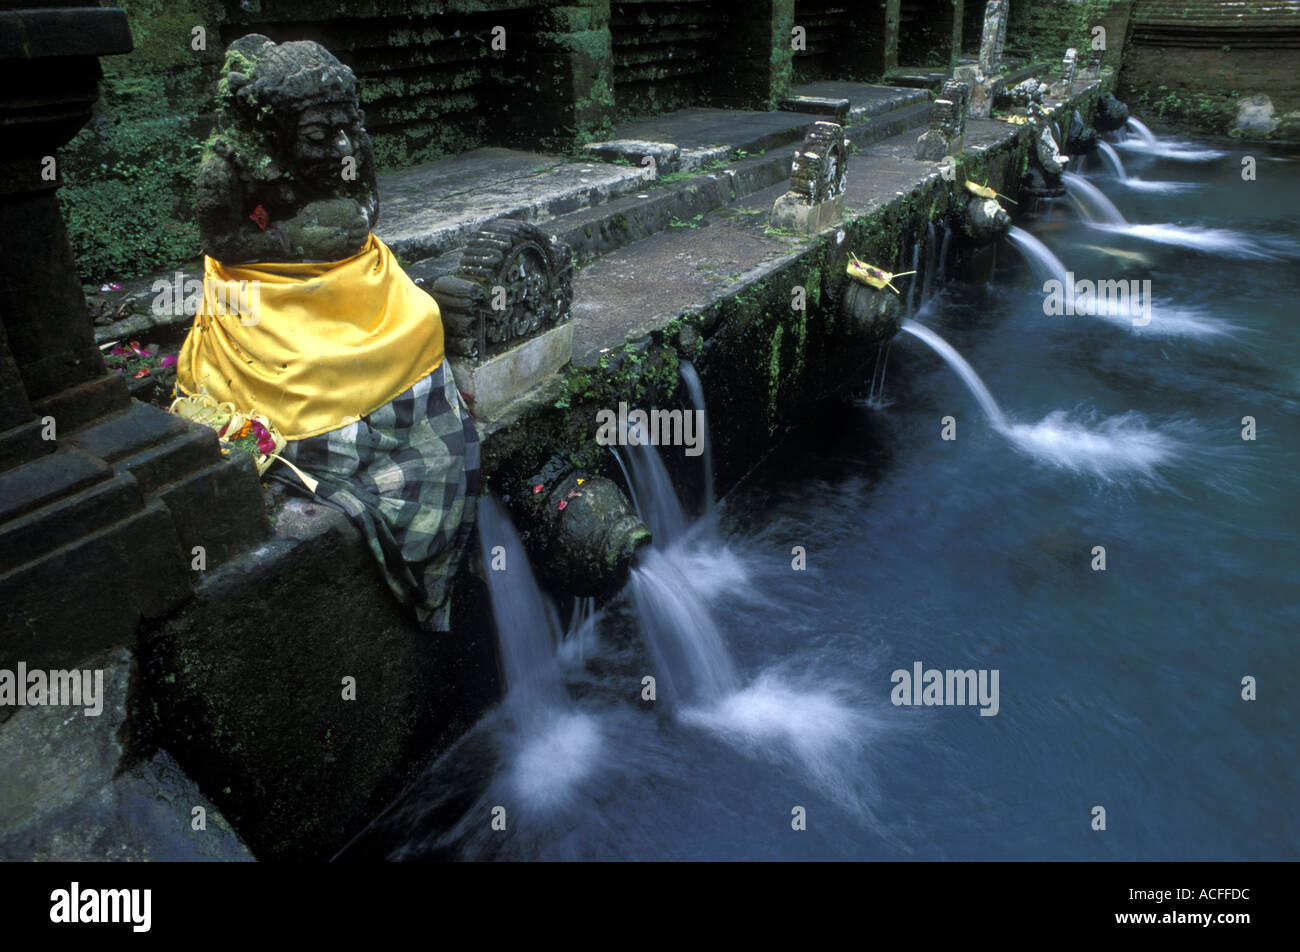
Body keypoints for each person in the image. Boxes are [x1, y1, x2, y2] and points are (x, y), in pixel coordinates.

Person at [176, 35, 479, 631]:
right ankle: (336, 429)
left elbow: (367, 202)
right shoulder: (226, 167)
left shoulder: (348, 139)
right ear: (272, 133)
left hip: (352, 272)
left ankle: (403, 405)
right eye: (319, 138)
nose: (340, 146)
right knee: (306, 367)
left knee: (421, 317)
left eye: (345, 129)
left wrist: (347, 223)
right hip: (262, 285)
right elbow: (222, 243)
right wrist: (296, 238)